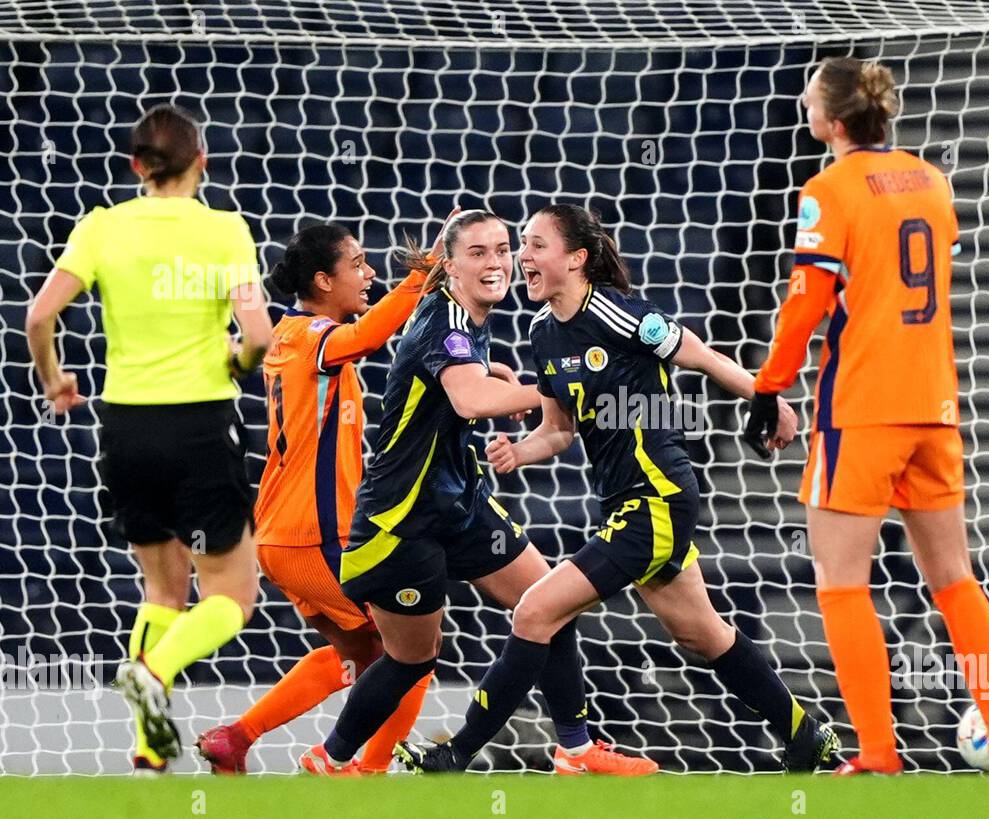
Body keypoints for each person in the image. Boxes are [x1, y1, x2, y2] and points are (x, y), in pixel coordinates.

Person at [395, 204, 839, 775]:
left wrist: (768, 399)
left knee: (534, 612)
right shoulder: (541, 332)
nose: (520, 258)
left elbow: (699, 355)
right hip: (626, 502)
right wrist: (518, 450)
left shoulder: (615, 312)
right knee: (701, 633)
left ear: (576, 259)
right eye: (520, 247)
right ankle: (804, 734)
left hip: (656, 497)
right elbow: (558, 430)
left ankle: (458, 751)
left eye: (532, 246)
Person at [741, 57, 989, 775]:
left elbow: (808, 301)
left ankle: (877, 751)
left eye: (810, 100)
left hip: (861, 406)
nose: (803, 108)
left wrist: (768, 385)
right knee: (956, 578)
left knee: (842, 581)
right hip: (933, 403)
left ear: (833, 122)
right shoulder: (932, 182)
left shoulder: (827, 189)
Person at [300, 209, 658, 777]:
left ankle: (576, 748)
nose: (496, 263)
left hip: (460, 504)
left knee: (550, 605)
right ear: (450, 266)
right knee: (412, 657)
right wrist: (549, 388)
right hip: (402, 518)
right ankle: (329, 757)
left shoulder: (464, 319)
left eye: (502, 250)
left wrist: (505, 375)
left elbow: (462, 371)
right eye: (478, 253)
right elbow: (466, 398)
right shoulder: (443, 318)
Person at [24, 103, 272, 771]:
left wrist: (54, 381)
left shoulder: (103, 226)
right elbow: (259, 336)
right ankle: (154, 669)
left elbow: (39, 313)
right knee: (231, 595)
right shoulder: (224, 230)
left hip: (126, 427)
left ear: (136, 166)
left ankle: (146, 745)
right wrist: (238, 362)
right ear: (204, 163)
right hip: (200, 425)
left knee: (163, 590)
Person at [195, 222, 439, 773]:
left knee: (359, 659)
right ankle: (366, 772)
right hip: (316, 533)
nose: (370, 272)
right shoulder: (313, 339)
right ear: (324, 280)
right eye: (358, 263)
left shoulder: (294, 337)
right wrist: (420, 279)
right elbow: (369, 337)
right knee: (413, 654)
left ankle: (236, 738)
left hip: (287, 534)